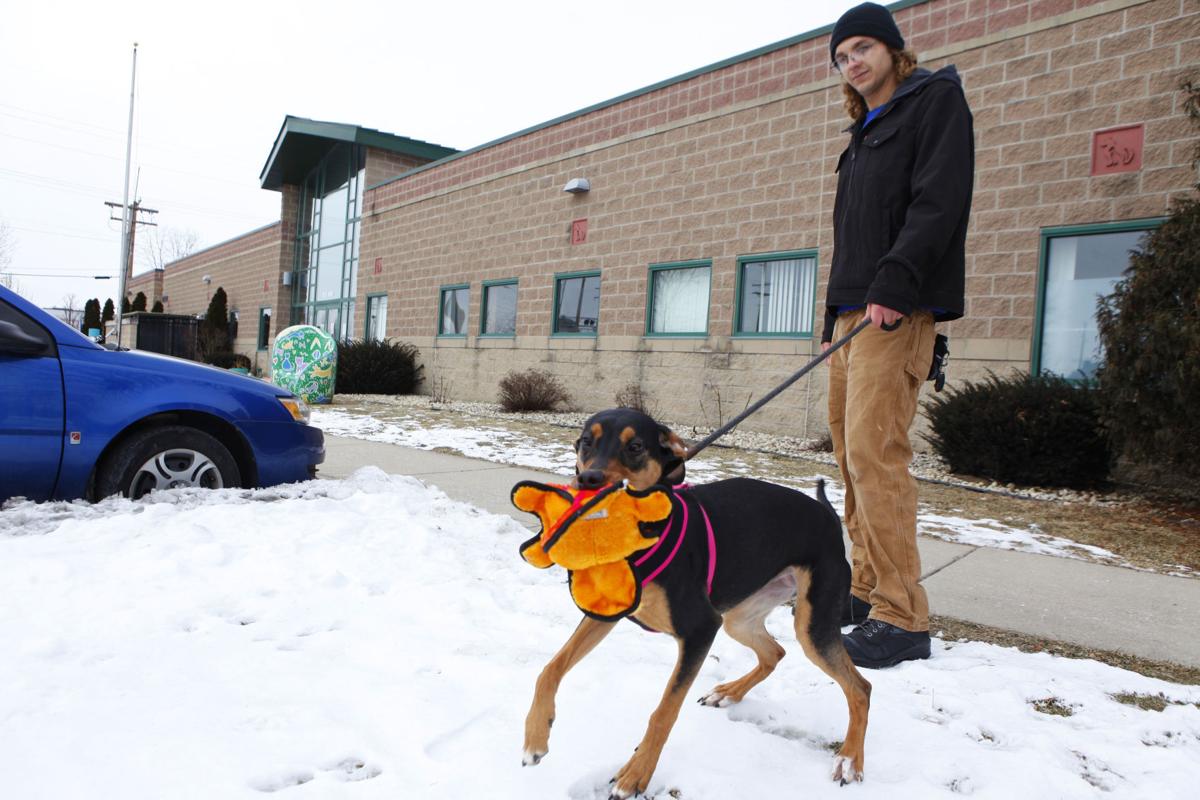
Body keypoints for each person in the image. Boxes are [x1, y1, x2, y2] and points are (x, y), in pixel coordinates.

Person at [821, 2, 974, 668]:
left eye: (861, 48)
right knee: (851, 459)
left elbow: (939, 202)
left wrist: (896, 283)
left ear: (890, 48)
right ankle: (864, 588)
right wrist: (836, 313)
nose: (852, 62)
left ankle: (903, 617)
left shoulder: (933, 102)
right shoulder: (864, 131)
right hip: (852, 317)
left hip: (896, 311)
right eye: (841, 56)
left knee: (877, 456)